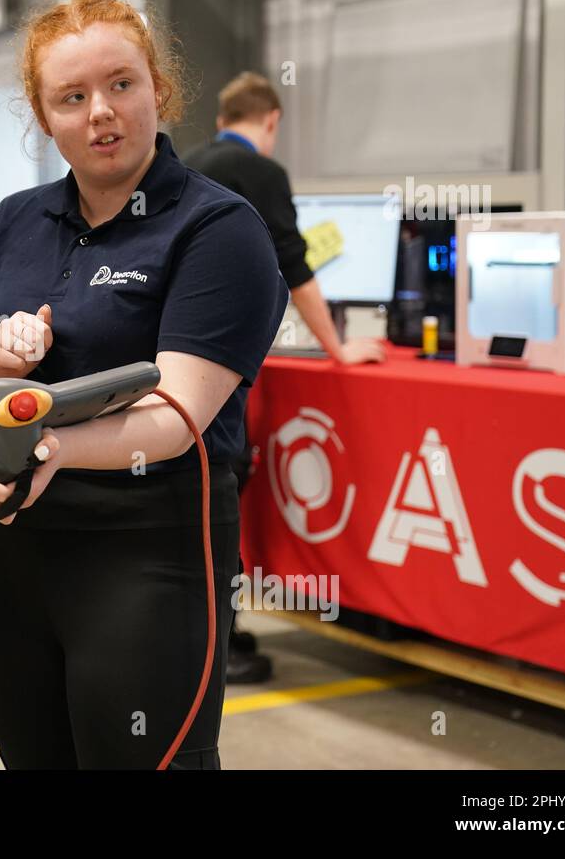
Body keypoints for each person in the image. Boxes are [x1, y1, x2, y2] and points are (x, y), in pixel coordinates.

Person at [0, 0, 287, 769]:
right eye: (72, 97)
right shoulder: (16, 221)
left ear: (158, 89)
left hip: (150, 544)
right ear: (45, 118)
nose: (100, 112)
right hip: (18, 544)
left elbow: (177, 413)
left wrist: (47, 450)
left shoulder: (217, 227)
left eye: (121, 85)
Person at [184, 72, 385, 684]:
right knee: (220, 487)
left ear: (224, 118)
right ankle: (217, 643)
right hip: (221, 366)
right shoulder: (262, 172)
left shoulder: (187, 164)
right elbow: (295, 267)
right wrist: (338, 348)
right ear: (270, 121)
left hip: (177, 356)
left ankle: (204, 633)